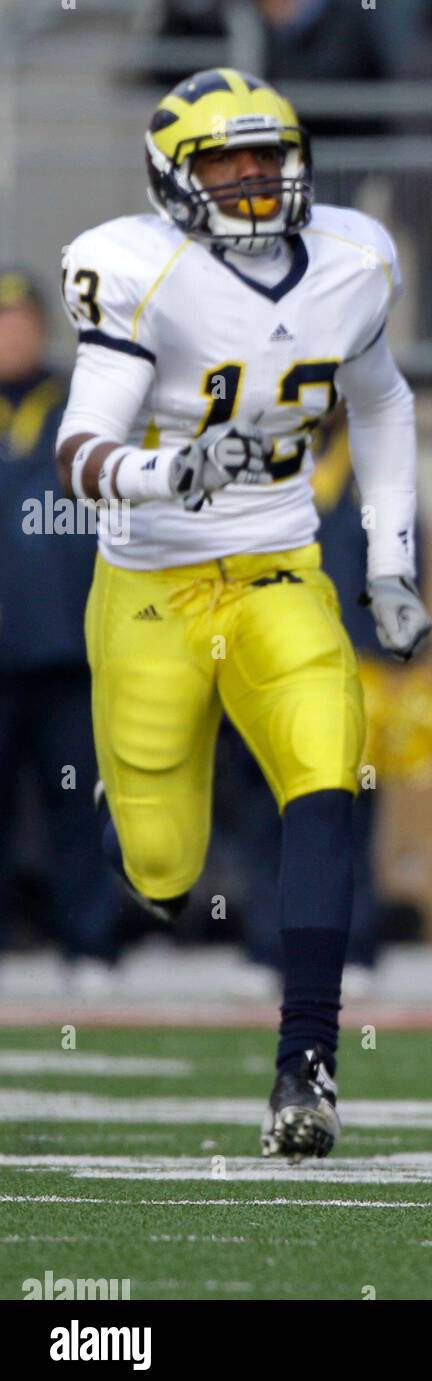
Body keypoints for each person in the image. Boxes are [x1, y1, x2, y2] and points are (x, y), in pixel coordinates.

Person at [56, 67, 431, 1160]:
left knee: (326, 776)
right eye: (228, 161)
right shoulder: (136, 267)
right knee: (164, 862)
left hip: (276, 567)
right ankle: (154, 880)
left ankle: (304, 1061)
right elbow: (79, 451)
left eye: (268, 157)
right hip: (153, 589)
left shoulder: (353, 261)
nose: (256, 180)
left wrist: (391, 565)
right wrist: (167, 476)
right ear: (176, 179)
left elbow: (385, 402)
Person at [0, 271, 120, 994]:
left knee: (81, 803)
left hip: (68, 650)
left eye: (18, 320)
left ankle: (91, 945)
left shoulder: (83, 405)